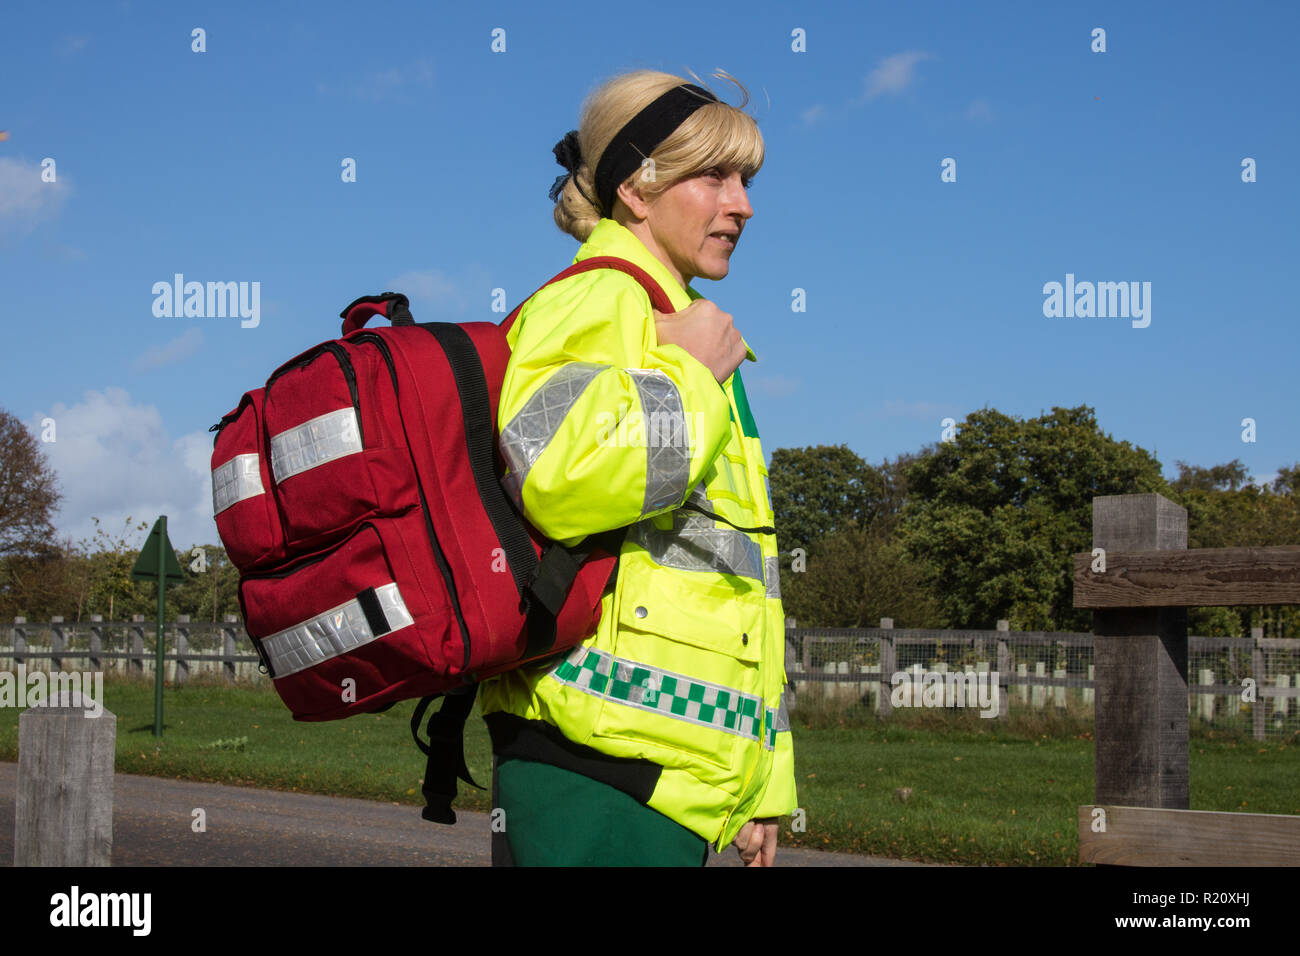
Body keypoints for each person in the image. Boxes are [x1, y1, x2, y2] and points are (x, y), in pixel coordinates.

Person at [479, 68, 796, 867]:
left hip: (665, 779)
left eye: (746, 179)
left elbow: (736, 585)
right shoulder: (596, 301)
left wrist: (757, 787)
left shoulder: (686, 324)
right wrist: (688, 375)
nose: (742, 205)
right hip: (593, 773)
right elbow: (557, 478)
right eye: (714, 176)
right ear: (636, 189)